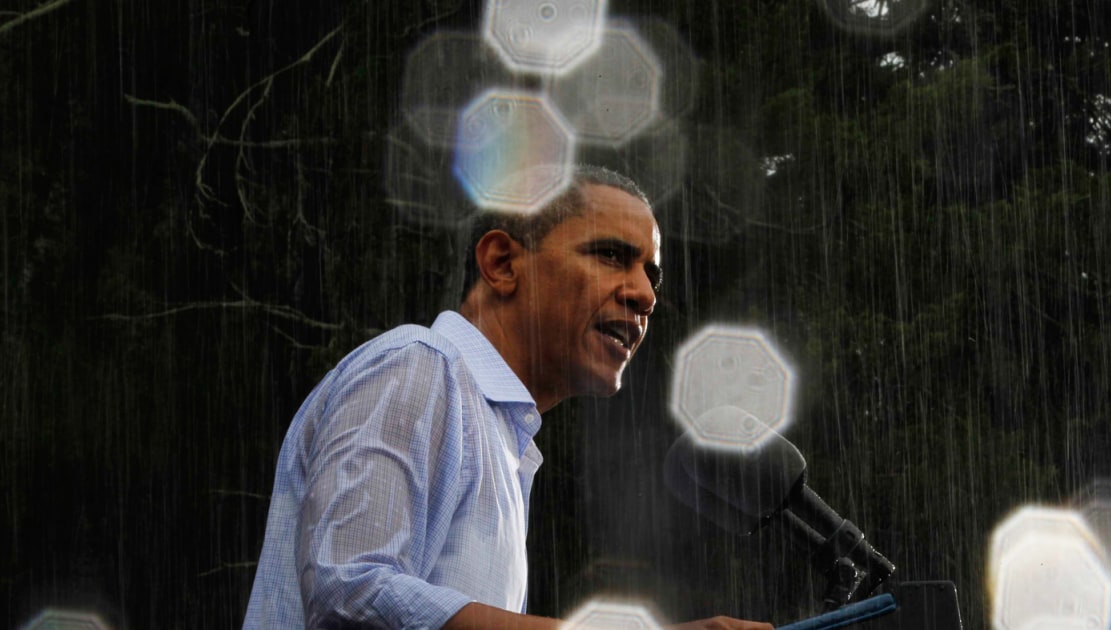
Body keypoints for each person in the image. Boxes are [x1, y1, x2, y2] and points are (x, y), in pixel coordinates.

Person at [243, 165, 773, 629]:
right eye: (611, 255)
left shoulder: (504, 439)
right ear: (501, 263)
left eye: (651, 276)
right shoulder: (420, 367)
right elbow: (350, 592)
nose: (645, 296)